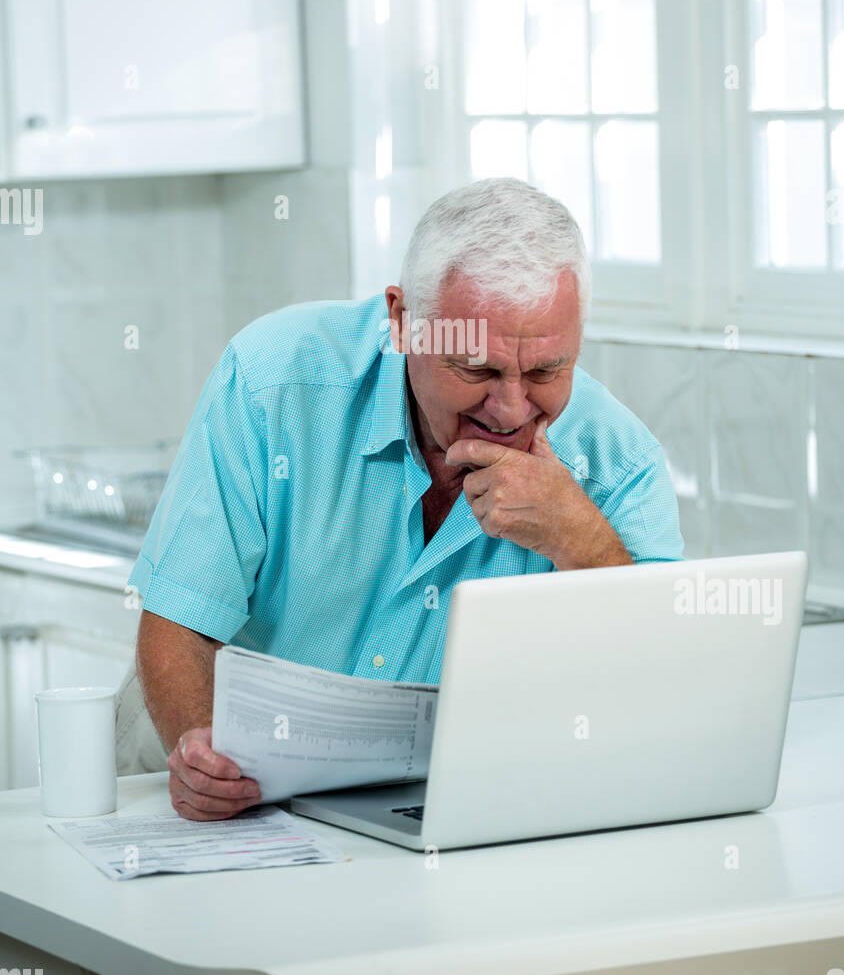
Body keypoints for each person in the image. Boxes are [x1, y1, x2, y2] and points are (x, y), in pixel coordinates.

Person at [117, 177, 683, 819]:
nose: (512, 408)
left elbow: (665, 693)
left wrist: (580, 540)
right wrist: (200, 755)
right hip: (227, 787)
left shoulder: (618, 456)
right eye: (478, 370)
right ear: (402, 322)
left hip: (436, 808)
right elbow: (178, 620)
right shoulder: (275, 379)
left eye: (547, 371)